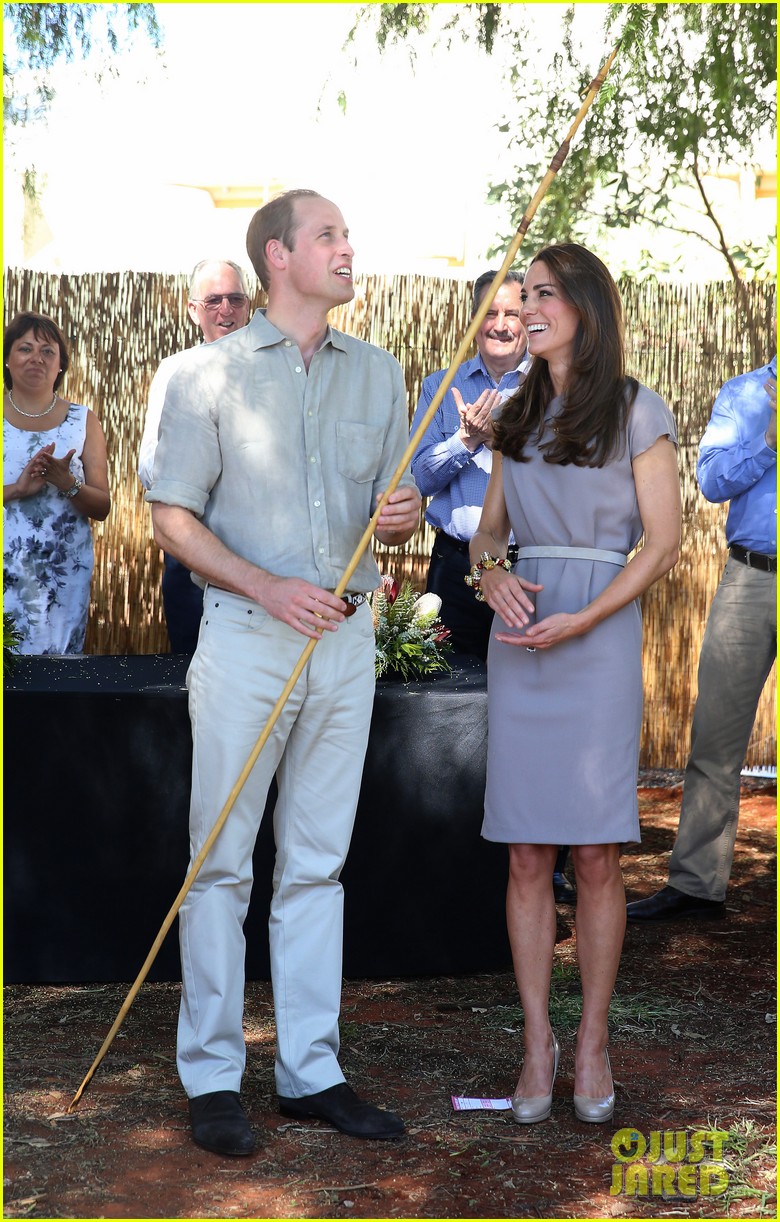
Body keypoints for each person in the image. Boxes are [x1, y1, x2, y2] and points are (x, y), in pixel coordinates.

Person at [147, 189, 421, 1156]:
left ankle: (312, 1071)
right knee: (218, 866)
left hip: (347, 646)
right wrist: (267, 588)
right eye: (330, 235)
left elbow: (396, 508)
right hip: (245, 640)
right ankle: (213, 1079)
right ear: (278, 256)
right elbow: (170, 517)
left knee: (317, 866)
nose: (350, 248)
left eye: (348, 232)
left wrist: (402, 519)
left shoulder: (383, 375)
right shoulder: (203, 374)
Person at [469, 243, 680, 1124]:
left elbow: (663, 544)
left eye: (543, 295)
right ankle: (535, 1044)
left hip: (596, 641)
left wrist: (589, 619)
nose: (526, 309)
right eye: (525, 296)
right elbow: (486, 537)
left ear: (584, 306)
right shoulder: (513, 412)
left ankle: (592, 1041)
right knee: (525, 851)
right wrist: (489, 576)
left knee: (594, 851)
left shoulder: (637, 409)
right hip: (521, 642)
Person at [410, 270, 575, 904]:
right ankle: (459, 855)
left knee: (536, 712)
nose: (503, 324)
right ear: (473, 321)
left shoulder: (554, 386)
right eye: (490, 314)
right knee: (453, 712)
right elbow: (417, 478)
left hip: (532, 569)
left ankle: (549, 860)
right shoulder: (440, 387)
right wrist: (466, 440)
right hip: (459, 569)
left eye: (514, 310)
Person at [626, 356, 776, 922]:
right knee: (715, 739)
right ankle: (694, 884)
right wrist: (768, 439)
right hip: (749, 578)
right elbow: (711, 482)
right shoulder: (742, 394)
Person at [138, 259, 251, 653]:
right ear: (192, 310)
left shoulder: (276, 372)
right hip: (191, 552)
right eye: (214, 300)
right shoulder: (174, 371)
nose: (226, 310)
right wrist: (199, 470)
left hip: (257, 555)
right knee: (189, 677)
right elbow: (149, 461)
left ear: (249, 304)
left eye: (235, 299)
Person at [3, 312, 110, 654]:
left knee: (56, 682)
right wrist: (17, 490)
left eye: (48, 351)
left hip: (62, 577)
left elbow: (103, 507)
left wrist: (68, 484)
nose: (37, 358)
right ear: (7, 359)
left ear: (61, 365)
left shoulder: (83, 421)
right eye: (25, 348)